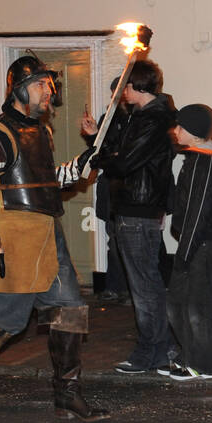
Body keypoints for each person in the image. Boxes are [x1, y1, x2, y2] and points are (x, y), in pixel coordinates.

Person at [0, 55, 107, 420]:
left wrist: (88, 158)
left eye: (49, 85)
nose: (47, 91)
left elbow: (52, 181)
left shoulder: (43, 132)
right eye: (38, 85)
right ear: (18, 90)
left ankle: (68, 393)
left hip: (48, 235)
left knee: (68, 312)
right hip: (12, 241)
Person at [93, 59, 178, 374]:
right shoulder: (144, 117)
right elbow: (124, 153)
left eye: (125, 86)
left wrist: (97, 159)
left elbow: (125, 162)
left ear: (136, 87)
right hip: (135, 208)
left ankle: (149, 352)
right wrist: (98, 142)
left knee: (144, 286)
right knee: (147, 283)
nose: (120, 92)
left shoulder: (151, 121)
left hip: (137, 209)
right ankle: (163, 346)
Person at [164, 104, 212, 380]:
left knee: (197, 307)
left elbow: (197, 214)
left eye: (180, 126)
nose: (175, 130)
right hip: (198, 245)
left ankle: (204, 365)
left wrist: (183, 255)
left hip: (202, 246)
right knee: (179, 303)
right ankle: (190, 357)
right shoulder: (196, 160)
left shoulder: (202, 165)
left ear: (192, 133)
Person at [79, 78, 132, 306]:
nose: (116, 98)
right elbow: (101, 152)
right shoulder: (108, 118)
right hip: (111, 187)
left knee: (130, 241)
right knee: (114, 240)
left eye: (119, 93)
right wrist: (95, 134)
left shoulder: (138, 119)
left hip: (129, 190)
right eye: (113, 94)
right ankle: (115, 286)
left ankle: (131, 290)